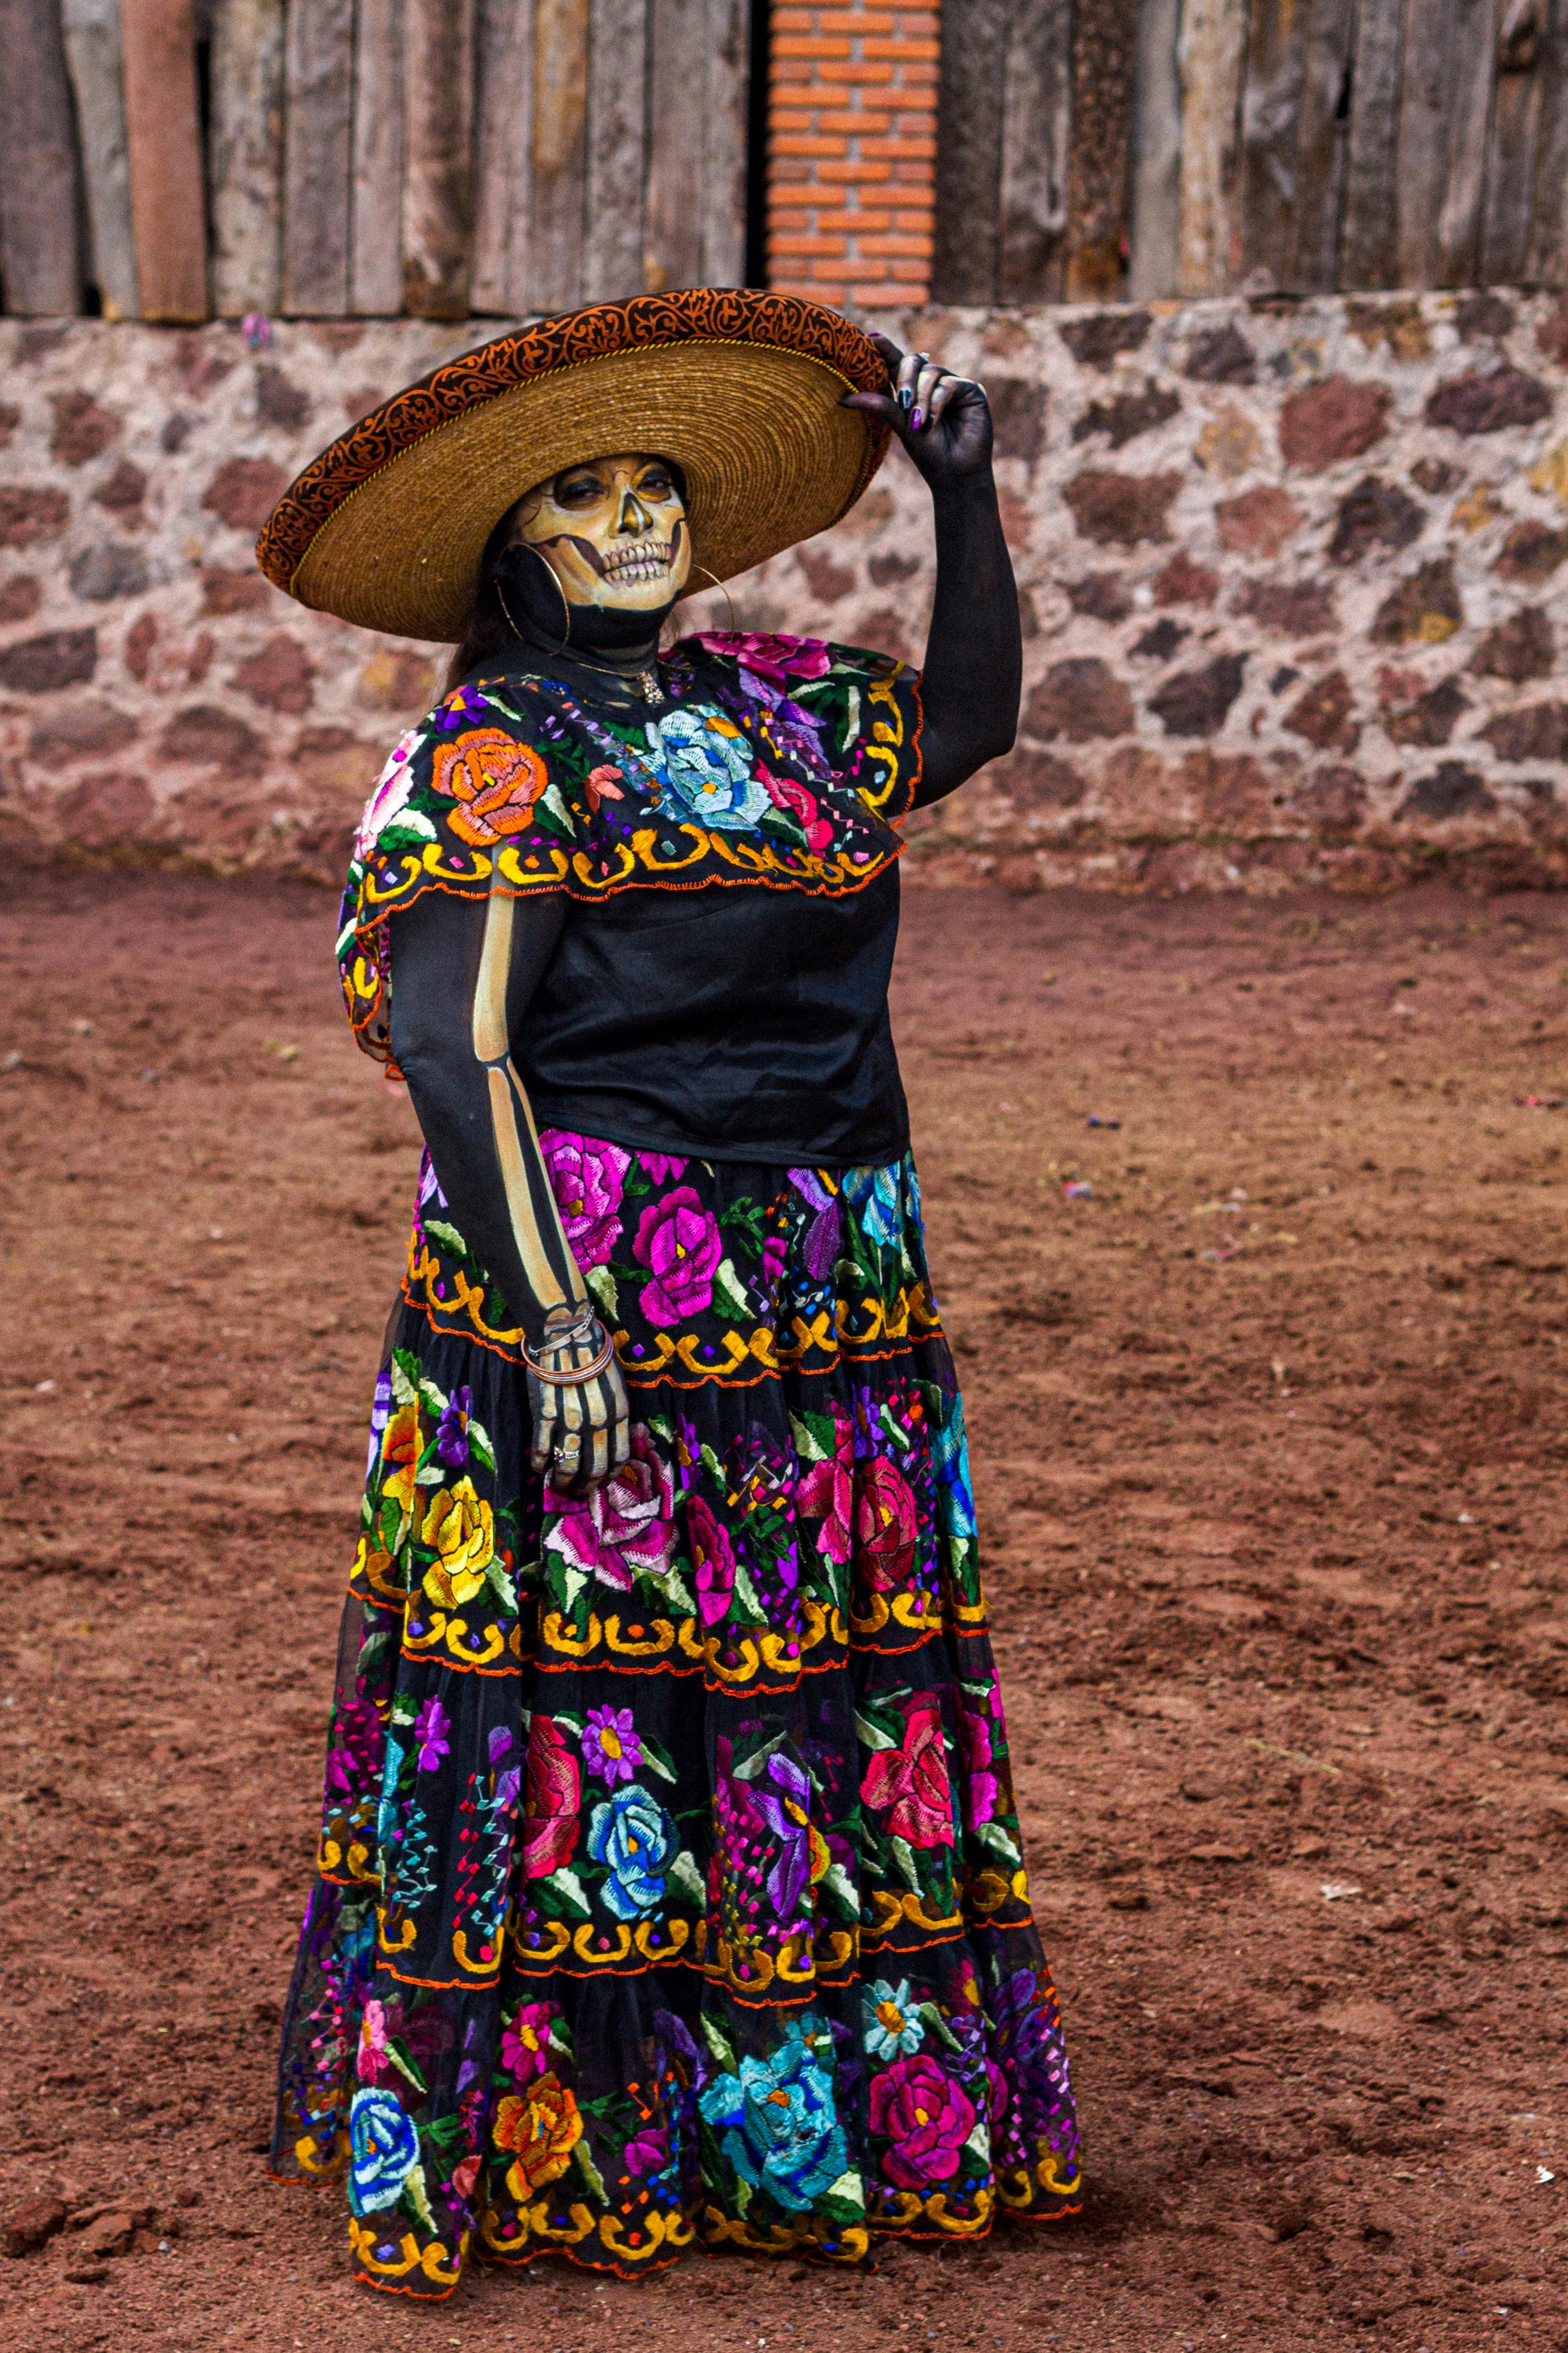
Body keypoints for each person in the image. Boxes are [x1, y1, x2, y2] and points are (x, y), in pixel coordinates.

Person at [257, 289, 1079, 2299]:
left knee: (798, 1691)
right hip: (603, 1291)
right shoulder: (484, 754)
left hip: (830, 1290)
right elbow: (461, 1051)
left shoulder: (787, 707)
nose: (632, 521)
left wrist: (966, 500)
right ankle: (567, 2134)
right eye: (583, 496)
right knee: (598, 1700)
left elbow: (962, 724)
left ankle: (790, 2115)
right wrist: (548, 1325)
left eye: (654, 490)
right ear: (512, 543)